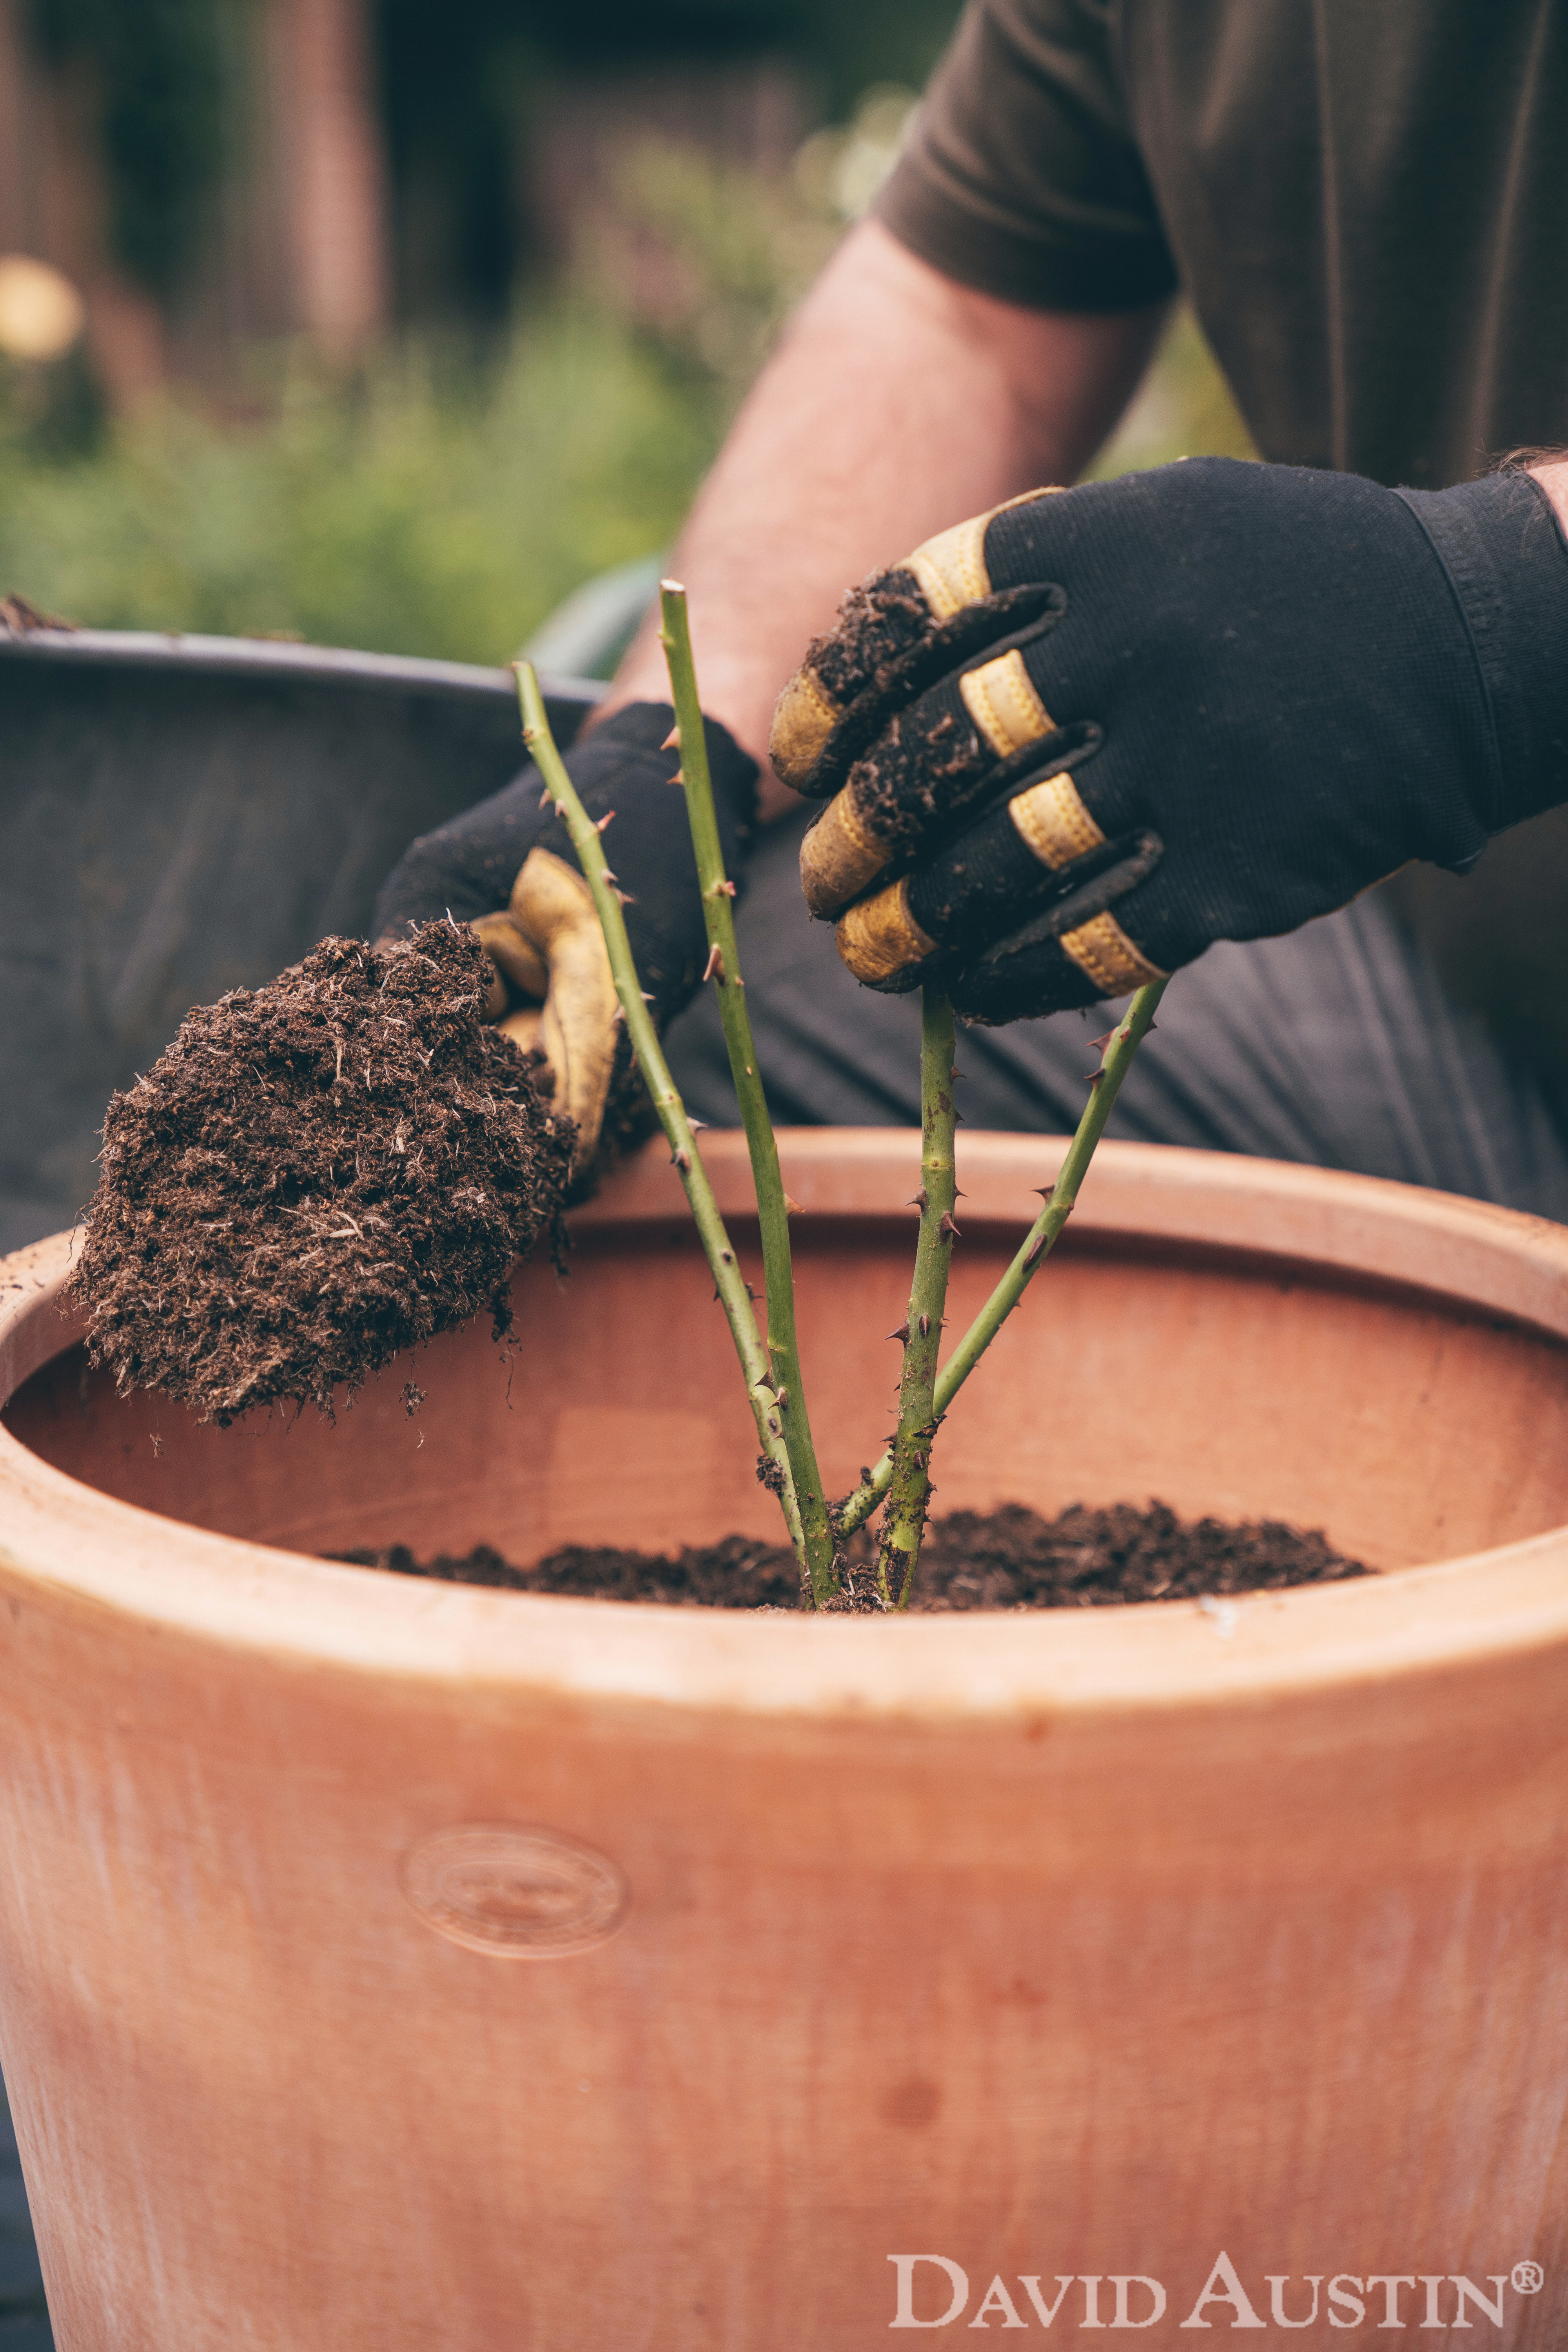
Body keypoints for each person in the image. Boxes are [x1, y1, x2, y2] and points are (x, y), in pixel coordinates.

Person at [376, 0, 1568, 1214]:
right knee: (673, 1027)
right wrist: (672, 754)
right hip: (1453, 1002)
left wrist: (1496, 608)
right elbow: (972, 318)